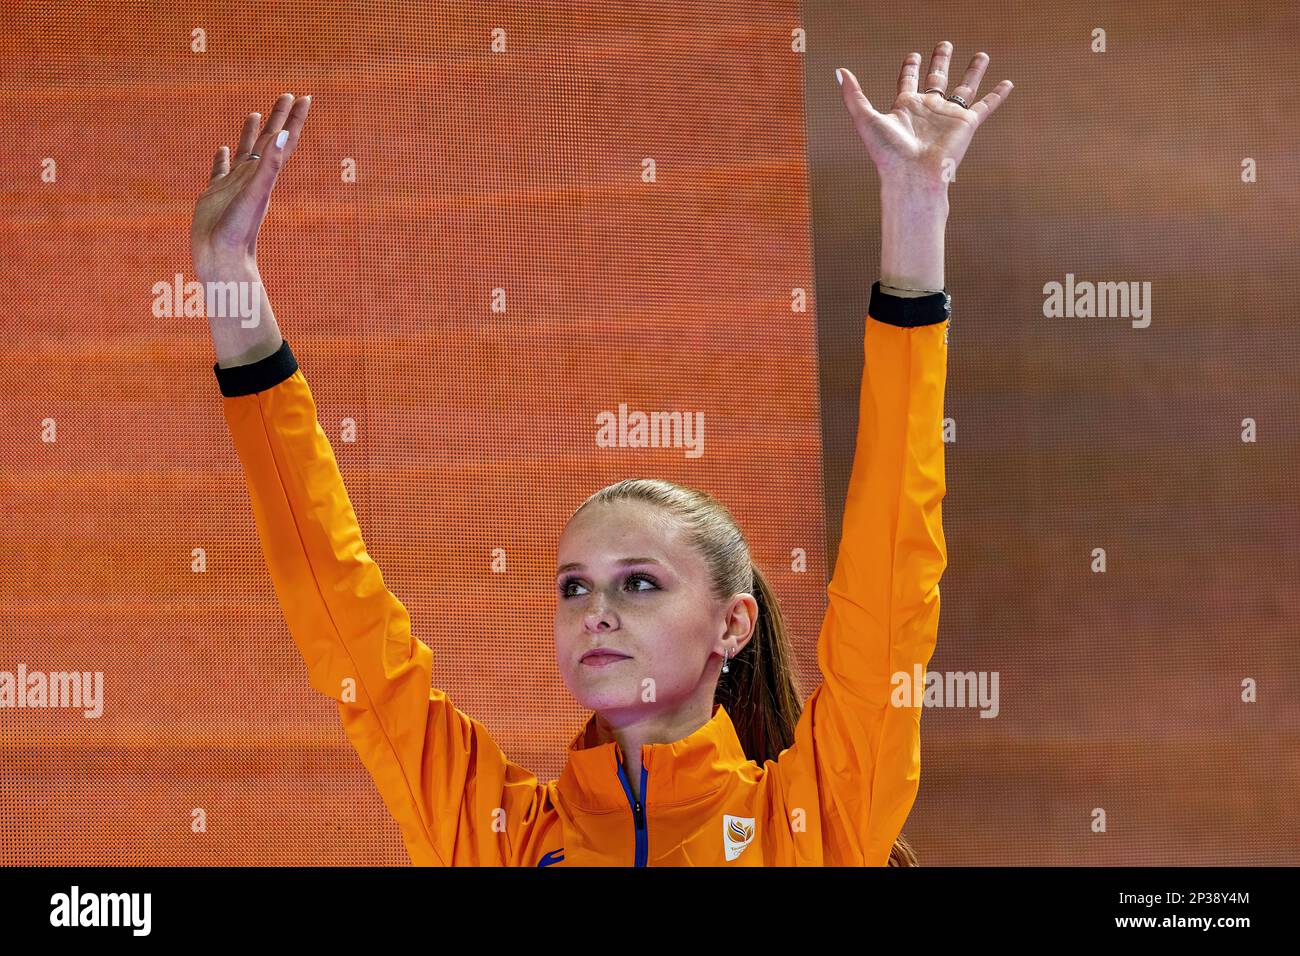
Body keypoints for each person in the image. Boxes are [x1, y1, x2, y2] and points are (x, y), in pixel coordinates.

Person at [191, 41, 1012, 866]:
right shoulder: (498, 836)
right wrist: (227, 274)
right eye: (573, 586)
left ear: (733, 626)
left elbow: (891, 582)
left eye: (639, 583)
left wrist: (916, 209)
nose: (596, 612)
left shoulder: (811, 821)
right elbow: (342, 615)